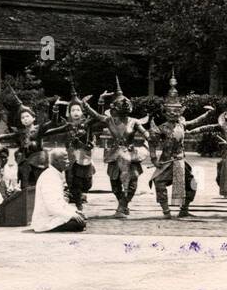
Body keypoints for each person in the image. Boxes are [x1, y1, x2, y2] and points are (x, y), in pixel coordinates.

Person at [145, 82, 214, 219]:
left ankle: (184, 209)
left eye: (176, 111)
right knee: (159, 182)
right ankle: (166, 211)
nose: (172, 113)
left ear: (180, 111)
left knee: (192, 184)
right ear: (165, 112)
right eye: (169, 111)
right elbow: (152, 142)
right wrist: (153, 158)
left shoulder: (181, 124)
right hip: (166, 163)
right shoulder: (162, 128)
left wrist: (207, 114)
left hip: (180, 162)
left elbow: (194, 122)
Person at [88, 78, 151, 218]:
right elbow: (96, 115)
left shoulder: (134, 121)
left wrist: (149, 136)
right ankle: (122, 205)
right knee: (115, 183)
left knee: (132, 182)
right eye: (121, 104)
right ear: (114, 107)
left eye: (126, 104)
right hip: (115, 154)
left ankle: (122, 206)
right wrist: (86, 104)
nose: (124, 106)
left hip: (130, 154)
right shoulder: (109, 120)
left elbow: (144, 131)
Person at [45, 85, 101, 210]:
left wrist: (91, 105)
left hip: (85, 155)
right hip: (70, 156)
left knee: (87, 182)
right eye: (73, 110)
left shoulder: (87, 125)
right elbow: (53, 126)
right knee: (72, 180)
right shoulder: (67, 125)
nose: (76, 112)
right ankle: (78, 203)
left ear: (82, 112)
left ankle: (81, 195)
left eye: (78, 110)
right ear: (69, 112)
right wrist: (55, 110)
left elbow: (99, 118)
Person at [2, 86, 49, 188]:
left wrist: (55, 113)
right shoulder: (20, 132)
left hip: (38, 160)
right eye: (22, 117)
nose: (25, 119)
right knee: (25, 182)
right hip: (25, 162)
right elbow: (9, 136)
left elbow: (50, 125)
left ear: (33, 118)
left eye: (27, 116)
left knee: (39, 183)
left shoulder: (38, 129)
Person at [32, 149, 86, 233]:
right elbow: (52, 206)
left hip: (54, 215)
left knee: (80, 218)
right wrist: (71, 215)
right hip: (46, 219)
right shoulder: (49, 177)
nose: (68, 161)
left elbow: (60, 202)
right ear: (56, 161)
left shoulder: (55, 174)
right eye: (65, 159)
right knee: (79, 224)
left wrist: (73, 211)